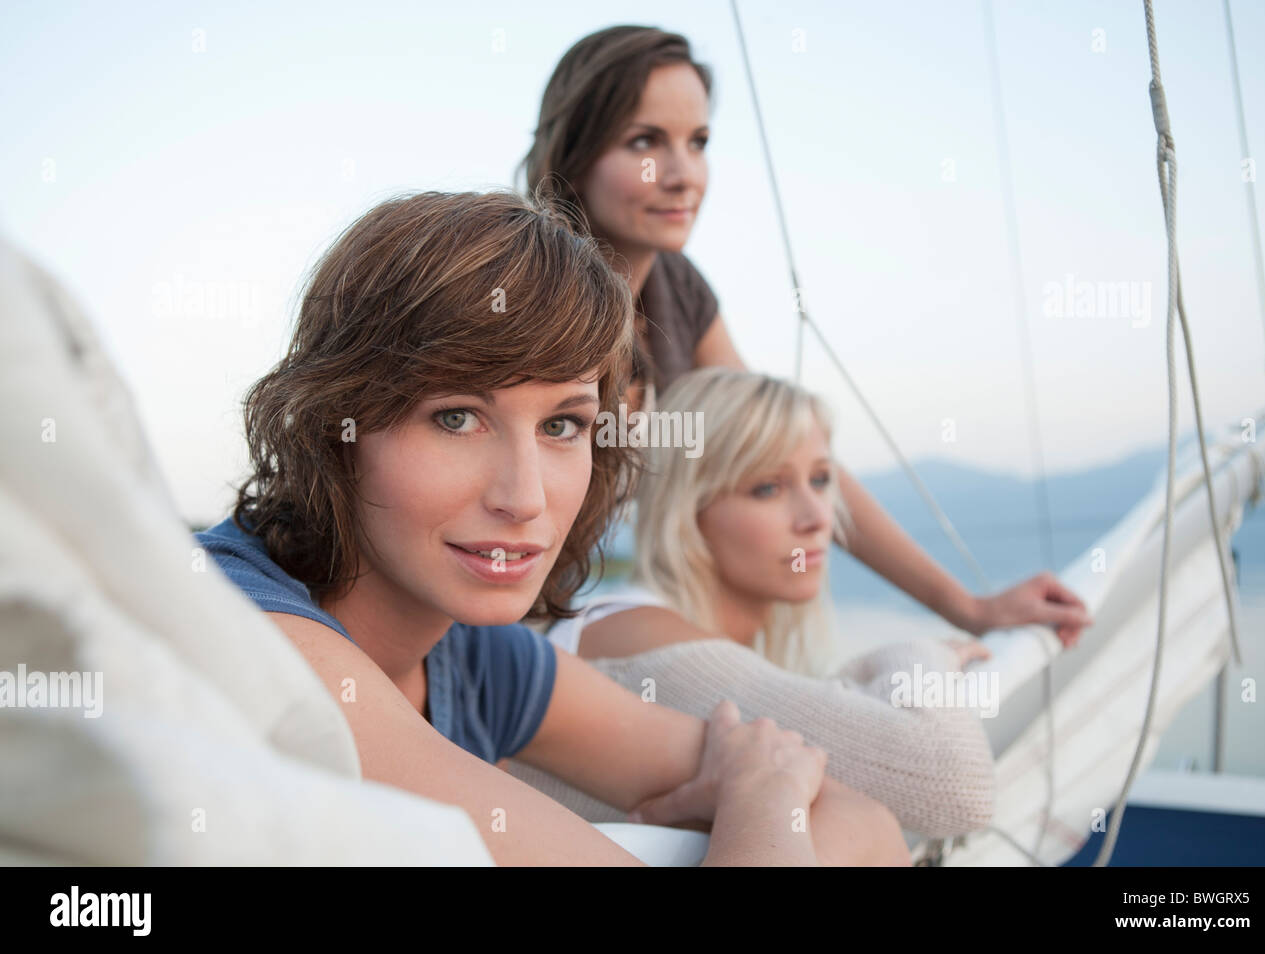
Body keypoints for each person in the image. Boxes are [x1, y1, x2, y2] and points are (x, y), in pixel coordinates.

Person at [194, 189, 911, 866]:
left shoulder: (475, 658)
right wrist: (765, 804)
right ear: (335, 426)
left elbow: (870, 825)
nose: (525, 497)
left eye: (563, 424)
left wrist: (762, 807)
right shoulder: (252, 640)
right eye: (456, 417)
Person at [520, 25, 1093, 647]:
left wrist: (967, 608)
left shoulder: (679, 293)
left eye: (699, 141)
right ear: (575, 155)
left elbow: (788, 454)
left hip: (541, 635)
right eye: (645, 142)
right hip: (481, 637)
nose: (685, 174)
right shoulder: (531, 302)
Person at [506, 368, 998, 838]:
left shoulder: (655, 626)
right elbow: (955, 784)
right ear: (689, 509)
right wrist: (924, 656)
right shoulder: (647, 641)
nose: (815, 517)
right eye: (768, 488)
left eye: (821, 480)